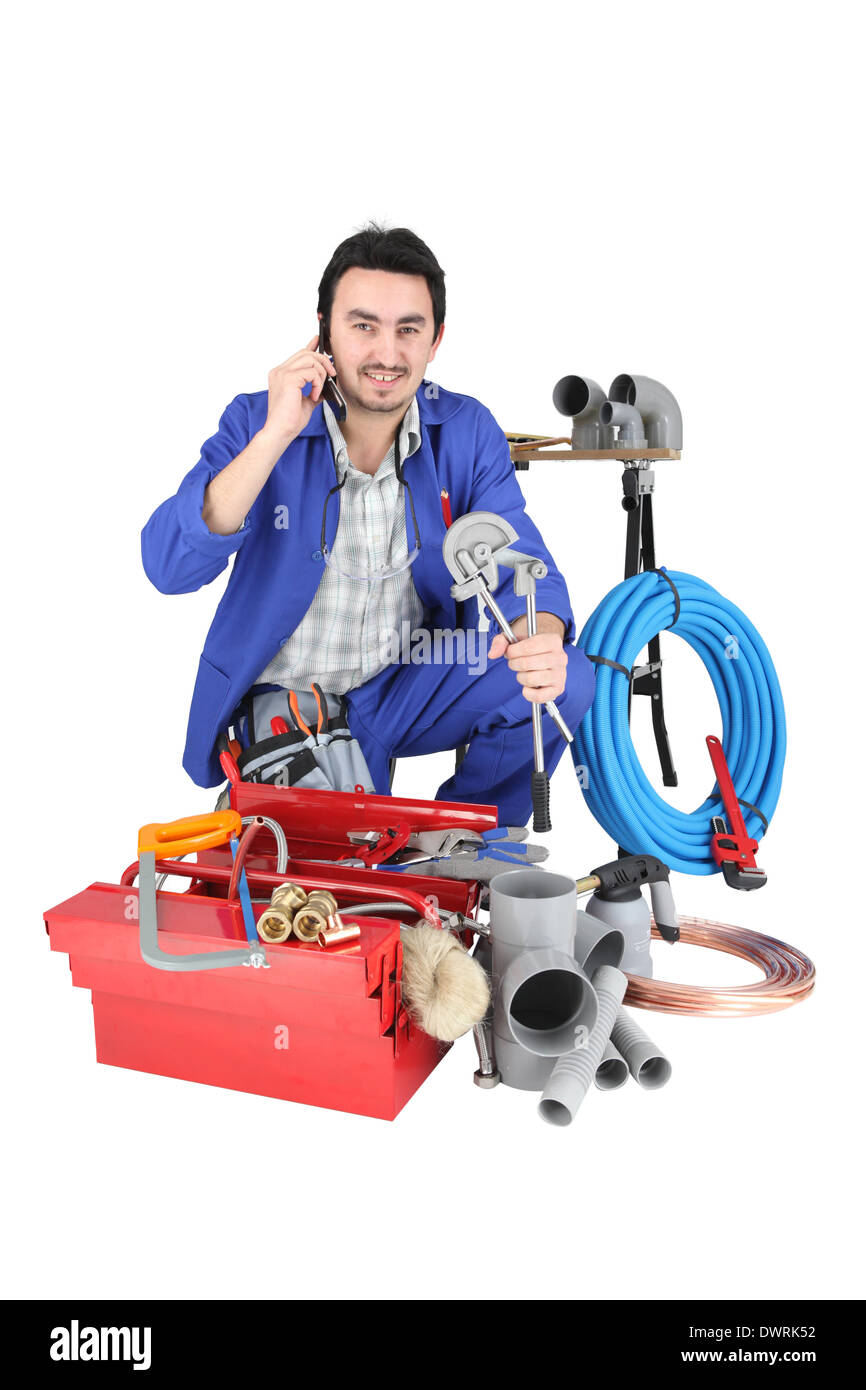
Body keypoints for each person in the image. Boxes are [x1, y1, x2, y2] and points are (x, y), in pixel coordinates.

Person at [141, 223, 595, 825]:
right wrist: (277, 432)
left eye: (409, 329)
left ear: (436, 341)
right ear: (324, 330)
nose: (387, 353)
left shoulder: (465, 430)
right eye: (363, 326)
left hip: (407, 685)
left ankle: (470, 852)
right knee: (318, 890)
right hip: (290, 702)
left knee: (565, 677)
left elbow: (515, 551)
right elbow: (169, 565)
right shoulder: (258, 419)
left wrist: (541, 632)